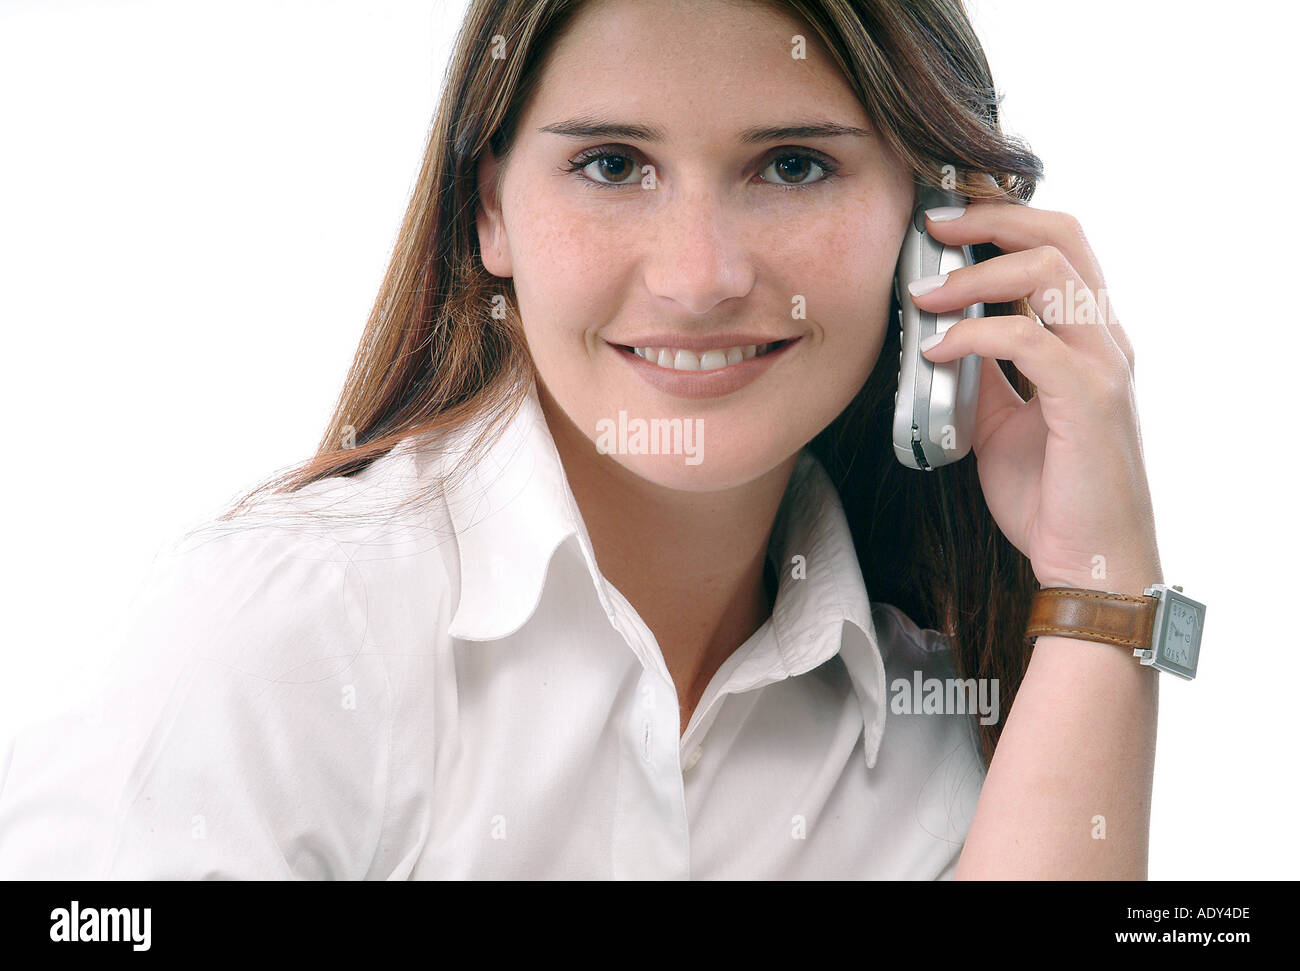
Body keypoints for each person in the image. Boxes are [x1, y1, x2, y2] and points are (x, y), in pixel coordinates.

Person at [0, 0, 1161, 879]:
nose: (700, 276)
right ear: (492, 208)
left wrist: (1100, 586)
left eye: (793, 165)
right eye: (612, 165)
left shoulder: (920, 722)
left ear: (936, 235)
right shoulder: (289, 636)